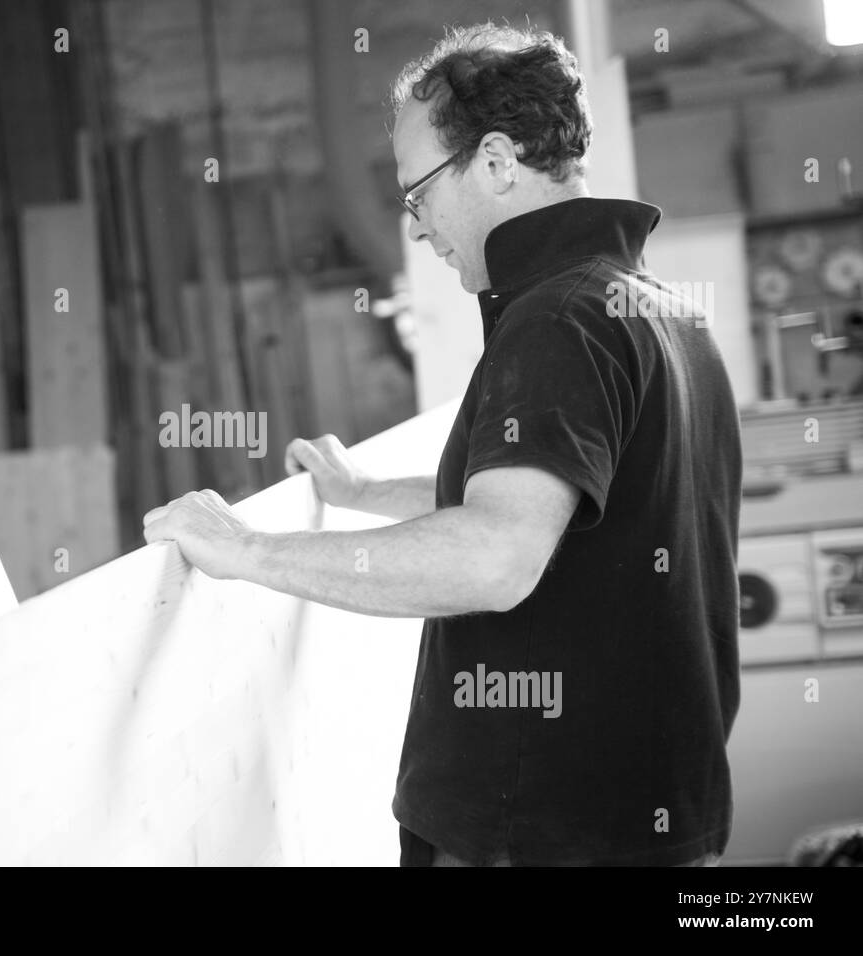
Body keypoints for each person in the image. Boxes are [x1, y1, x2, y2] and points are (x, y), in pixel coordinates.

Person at [141, 22, 741, 866]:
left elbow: (494, 556)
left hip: (539, 832)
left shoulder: (558, 321)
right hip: (650, 820)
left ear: (497, 162)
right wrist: (361, 492)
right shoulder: (664, 314)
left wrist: (246, 550)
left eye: (416, 192)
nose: (416, 227)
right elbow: (554, 504)